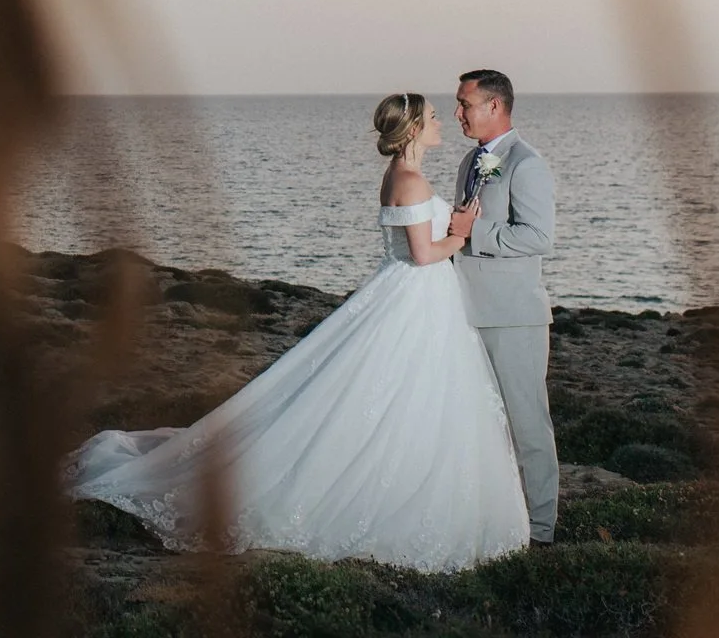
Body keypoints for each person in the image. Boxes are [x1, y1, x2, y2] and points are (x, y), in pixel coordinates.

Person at [63, 92, 528, 571]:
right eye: (432, 117)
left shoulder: (403, 177)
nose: (441, 122)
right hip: (417, 296)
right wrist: (464, 230)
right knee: (401, 393)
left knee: (408, 395)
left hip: (416, 297)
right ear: (411, 130)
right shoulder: (408, 180)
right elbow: (425, 254)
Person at [446, 67, 560, 546]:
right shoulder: (476, 161)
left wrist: (475, 233)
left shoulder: (526, 163)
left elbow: (539, 237)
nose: (457, 113)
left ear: (494, 106)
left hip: (513, 318)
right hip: (467, 314)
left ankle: (541, 531)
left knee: (527, 424)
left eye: (464, 104)